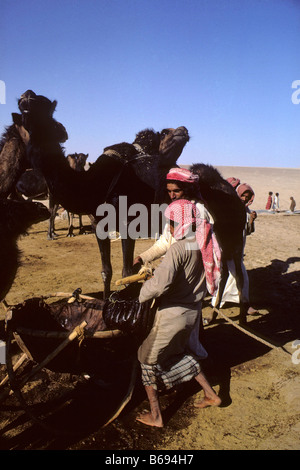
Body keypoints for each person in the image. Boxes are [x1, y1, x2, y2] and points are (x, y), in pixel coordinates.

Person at [136, 199, 221, 427]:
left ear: (179, 224)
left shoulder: (178, 248)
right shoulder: (202, 243)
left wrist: (140, 293)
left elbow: (160, 285)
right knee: (179, 352)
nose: (170, 229)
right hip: (193, 314)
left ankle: (156, 415)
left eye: (171, 224)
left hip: (172, 316)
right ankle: (211, 394)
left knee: (145, 357)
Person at [133, 167, 221, 349]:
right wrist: (143, 257)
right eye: (169, 191)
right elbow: (166, 241)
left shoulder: (199, 211)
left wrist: (171, 267)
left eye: (177, 191)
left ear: (186, 190)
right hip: (175, 270)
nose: (172, 195)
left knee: (184, 326)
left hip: (188, 276)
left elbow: (198, 250)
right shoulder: (175, 210)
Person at [211, 181, 258, 316]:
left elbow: (248, 231)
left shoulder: (247, 211)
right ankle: (219, 305)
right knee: (227, 277)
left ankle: (240, 304)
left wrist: (251, 221)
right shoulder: (229, 209)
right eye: (243, 195)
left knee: (238, 278)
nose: (245, 199)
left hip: (238, 250)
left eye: (248, 197)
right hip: (228, 249)